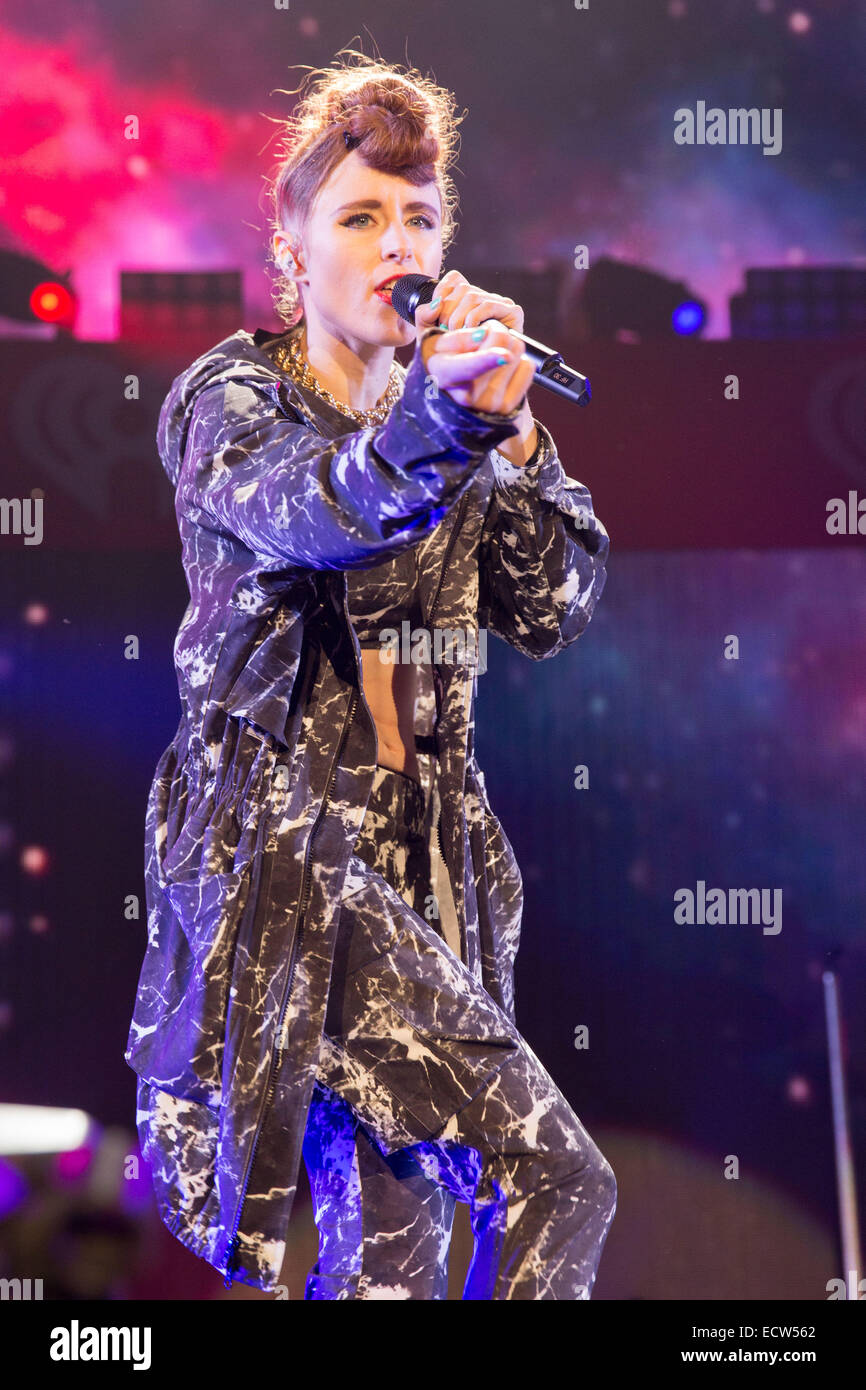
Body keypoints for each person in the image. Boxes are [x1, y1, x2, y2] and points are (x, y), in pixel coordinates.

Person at [126, 50, 615, 1300]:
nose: (394, 241)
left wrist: (512, 432)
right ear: (294, 247)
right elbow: (327, 511)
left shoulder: (445, 415)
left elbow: (553, 605)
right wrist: (445, 426)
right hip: (282, 867)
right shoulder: (229, 400)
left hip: (420, 870)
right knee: (557, 1175)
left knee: (389, 1269)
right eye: (357, 216)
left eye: (419, 216)